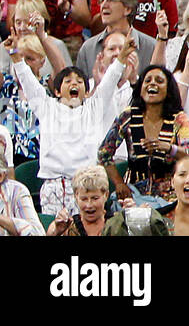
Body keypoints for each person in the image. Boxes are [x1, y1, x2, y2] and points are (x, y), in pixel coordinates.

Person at [8, 29, 129, 214]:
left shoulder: (93, 108)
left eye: (80, 81)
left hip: (87, 185)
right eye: (67, 81)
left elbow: (110, 80)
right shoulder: (47, 107)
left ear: (87, 91)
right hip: (53, 185)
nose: (74, 84)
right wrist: (15, 56)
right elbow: (28, 82)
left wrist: (122, 57)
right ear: (57, 91)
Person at [98, 64, 189, 207]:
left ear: (168, 91)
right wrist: (119, 183)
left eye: (159, 81)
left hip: (169, 196)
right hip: (132, 193)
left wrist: (168, 148)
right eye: (148, 80)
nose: (152, 84)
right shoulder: (128, 116)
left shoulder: (179, 119)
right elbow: (104, 153)